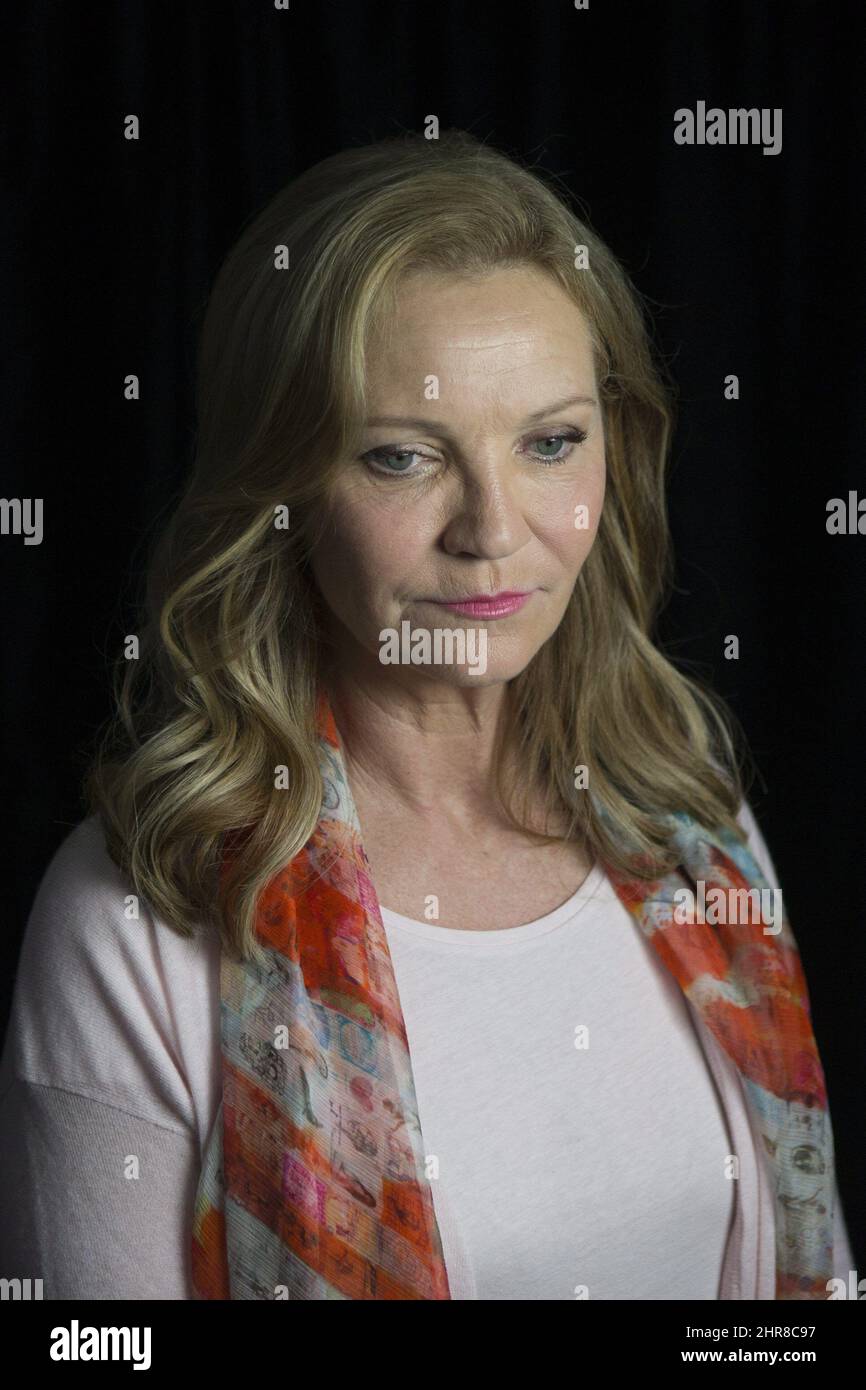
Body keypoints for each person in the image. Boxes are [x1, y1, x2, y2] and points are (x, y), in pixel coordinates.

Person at [0, 130, 854, 1300]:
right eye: (404, 458)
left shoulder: (693, 828)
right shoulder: (136, 918)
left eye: (549, 443)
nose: (493, 528)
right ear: (282, 491)